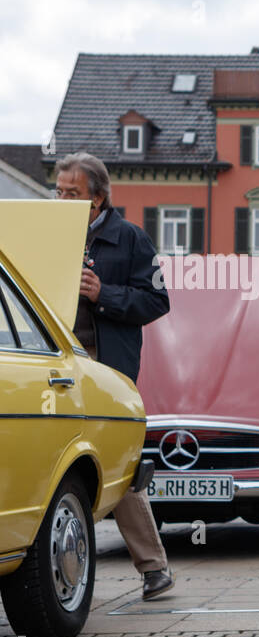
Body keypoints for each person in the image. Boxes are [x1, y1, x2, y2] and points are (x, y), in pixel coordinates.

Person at [54, 153, 175, 600]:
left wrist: (106, 294)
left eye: (73, 194)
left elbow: (158, 302)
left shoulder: (131, 239)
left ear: (98, 197)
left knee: (114, 465)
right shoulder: (48, 233)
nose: (63, 199)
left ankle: (153, 567)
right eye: (59, 191)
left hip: (106, 371)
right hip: (56, 368)